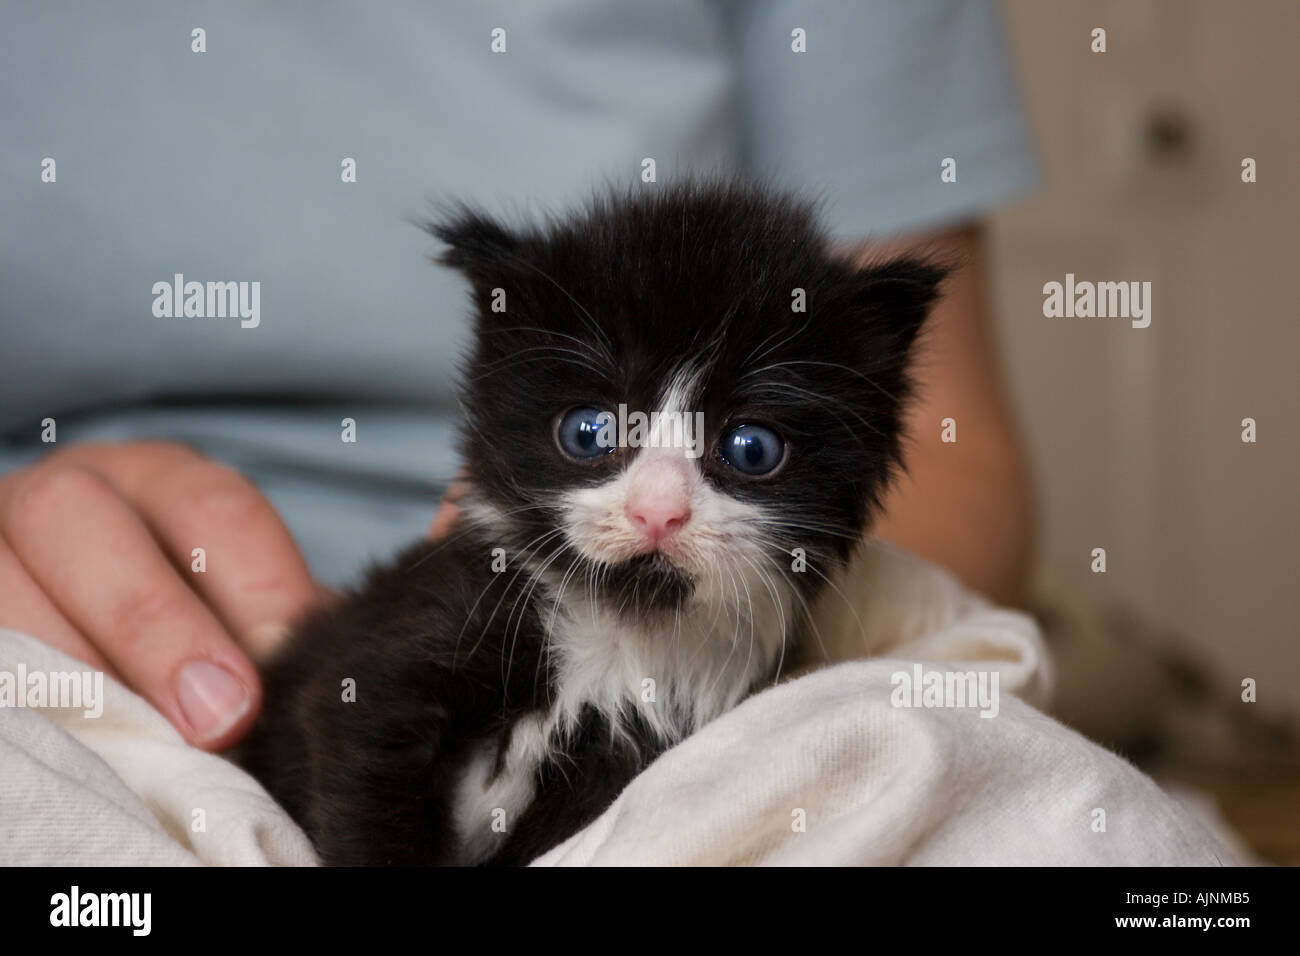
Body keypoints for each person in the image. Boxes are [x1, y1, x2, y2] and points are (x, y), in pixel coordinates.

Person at [0, 0, 1036, 750]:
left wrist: (743, 668)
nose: (664, 499)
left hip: (747, 668)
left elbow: (956, 450)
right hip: (53, 647)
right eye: (596, 436)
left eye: (746, 449)